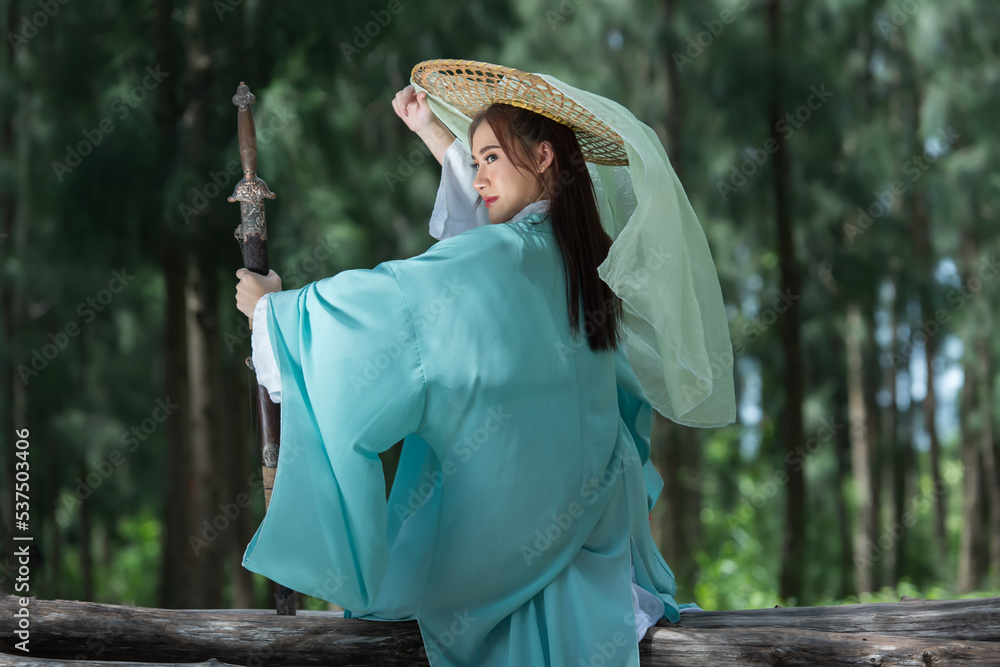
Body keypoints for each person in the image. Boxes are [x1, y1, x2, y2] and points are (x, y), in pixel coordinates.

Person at [234, 60, 735, 667]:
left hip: (516, 546)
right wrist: (432, 132)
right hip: (595, 539)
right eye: (474, 162)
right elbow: (481, 245)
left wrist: (279, 315)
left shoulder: (507, 257)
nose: (478, 178)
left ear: (544, 157)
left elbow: (405, 301)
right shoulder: (580, 260)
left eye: (490, 159)